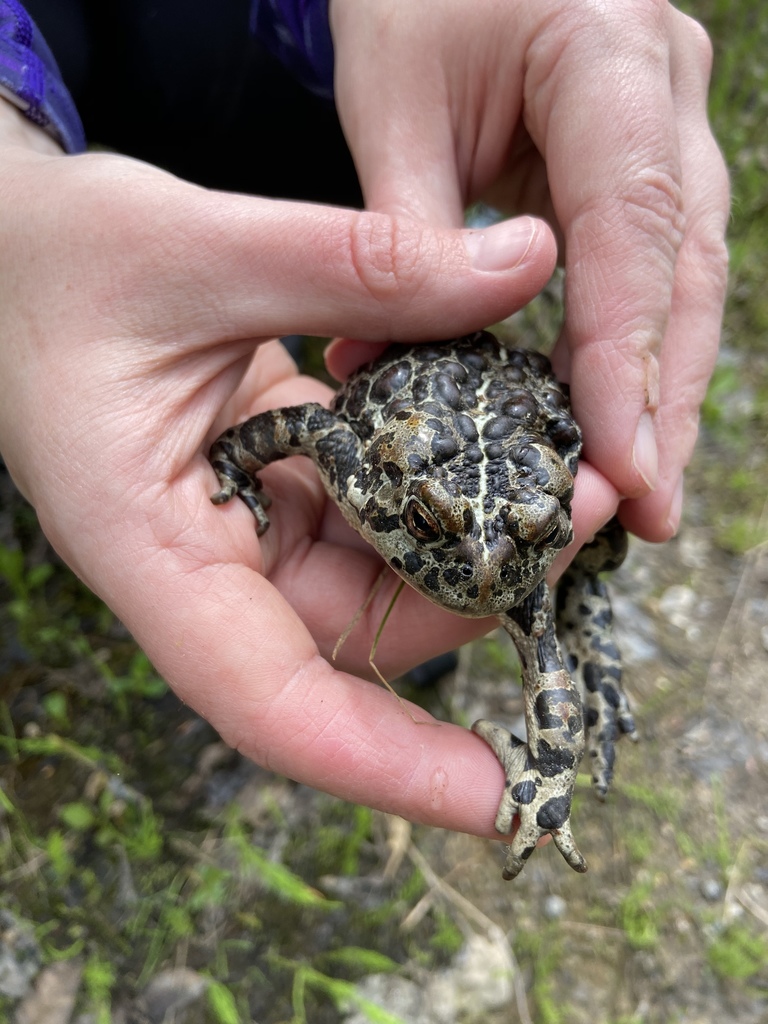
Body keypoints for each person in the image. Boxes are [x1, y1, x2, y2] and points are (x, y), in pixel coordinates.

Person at [0, 1, 728, 843]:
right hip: (402, 416)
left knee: (547, 569)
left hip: (483, 440)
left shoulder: (511, 559)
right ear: (401, 502)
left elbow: (546, 687)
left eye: (522, 545)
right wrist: (232, 463)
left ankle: (485, 627)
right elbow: (312, 429)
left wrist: (543, 786)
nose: (488, 568)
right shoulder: (367, 470)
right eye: (440, 531)